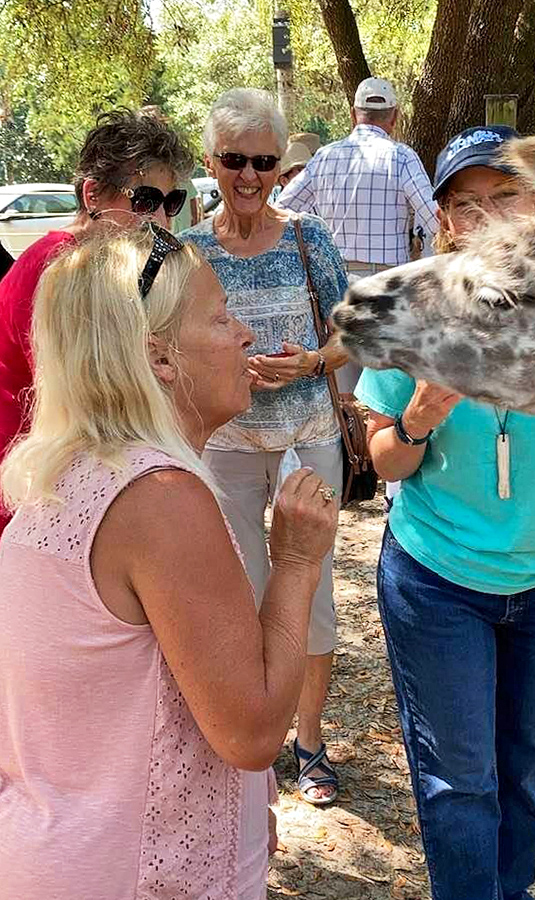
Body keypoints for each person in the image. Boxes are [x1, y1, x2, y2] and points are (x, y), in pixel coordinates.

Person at [0, 225, 338, 900]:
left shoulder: (69, 474)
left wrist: (244, 803)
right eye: (219, 317)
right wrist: (297, 561)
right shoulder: (161, 499)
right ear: (158, 356)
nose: (244, 334)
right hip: (134, 878)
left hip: (58, 859)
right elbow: (250, 728)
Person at [355, 125, 535, 900]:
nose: (486, 217)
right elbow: (386, 460)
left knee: (521, 771)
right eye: (465, 204)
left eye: (505, 196)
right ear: (445, 222)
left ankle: (510, 894)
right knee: (461, 781)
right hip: (439, 581)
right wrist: (421, 413)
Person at [181, 88, 349, 805]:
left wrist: (310, 362)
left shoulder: (310, 238)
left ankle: (308, 743)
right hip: (224, 449)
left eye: (264, 161)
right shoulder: (188, 253)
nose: (249, 175)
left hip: (308, 441)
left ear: (281, 165)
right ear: (211, 162)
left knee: (311, 593)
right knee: (237, 591)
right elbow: (164, 349)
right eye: (234, 159)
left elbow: (353, 334)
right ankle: (252, 742)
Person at [0, 107, 193, 535]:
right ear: (92, 195)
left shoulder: (116, 269)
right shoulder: (55, 269)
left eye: (171, 202)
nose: (160, 220)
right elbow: (87, 395)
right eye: (144, 200)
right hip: (30, 490)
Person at [277, 76, 438, 403]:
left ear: (354, 114)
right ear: (394, 117)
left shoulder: (324, 157)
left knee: (343, 393)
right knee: (383, 399)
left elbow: (281, 211)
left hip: (334, 288)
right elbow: (432, 218)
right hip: (386, 289)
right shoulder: (401, 157)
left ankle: (348, 453)